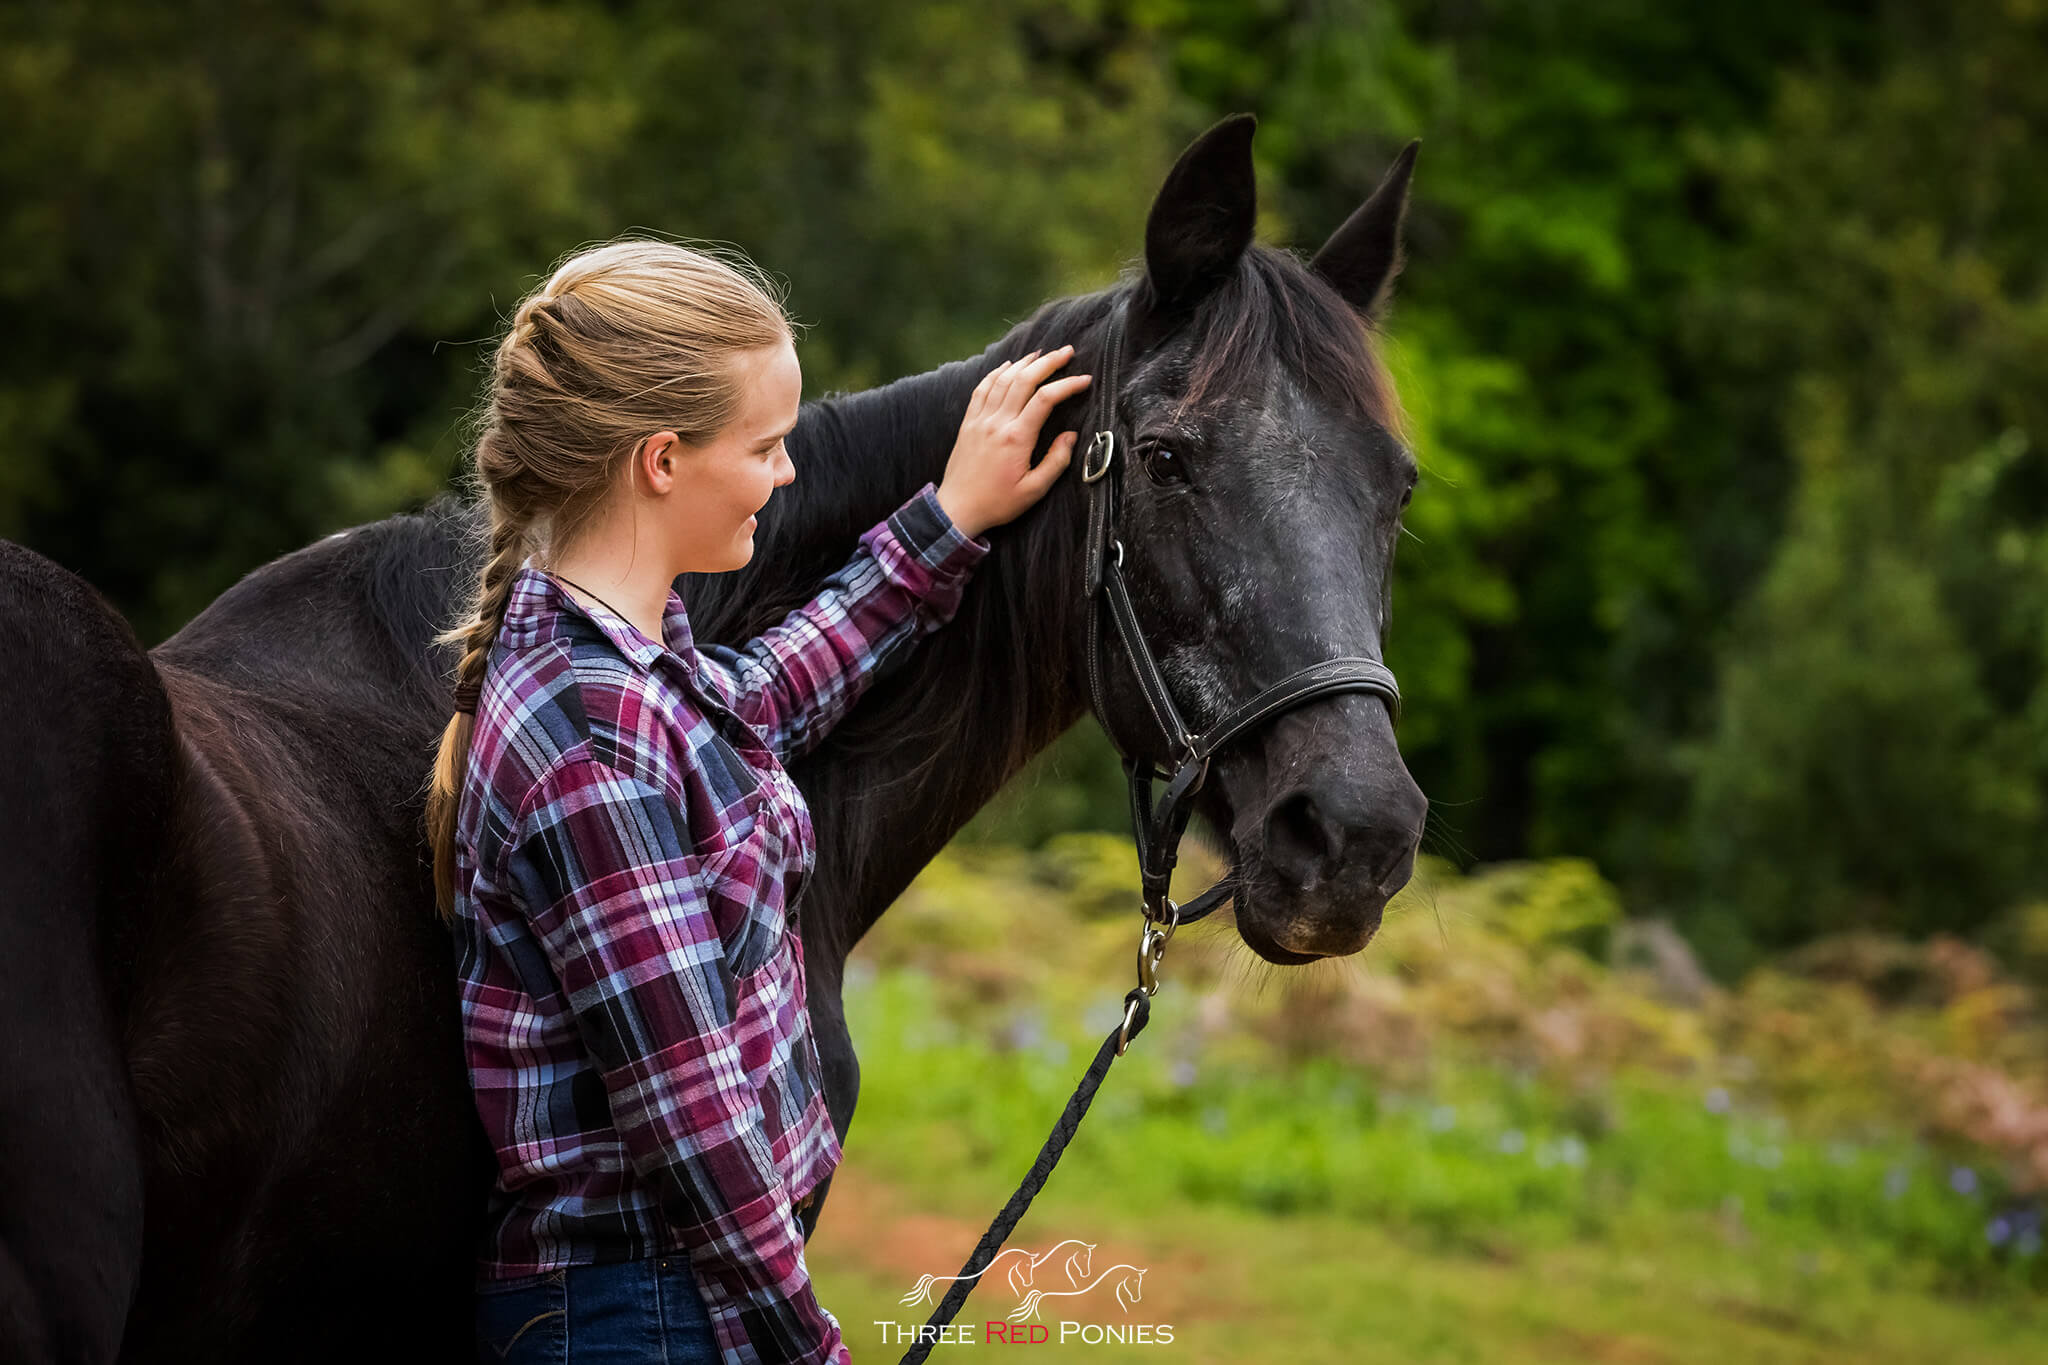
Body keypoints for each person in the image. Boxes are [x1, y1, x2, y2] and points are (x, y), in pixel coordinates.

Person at [421, 237, 1090, 1364]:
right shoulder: (589, 736)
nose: (786, 476)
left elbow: (759, 697)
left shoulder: (636, 668)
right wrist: (807, 1344)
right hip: (643, 1317)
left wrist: (948, 521)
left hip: (673, 1299)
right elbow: (693, 1123)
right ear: (660, 462)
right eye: (766, 445)